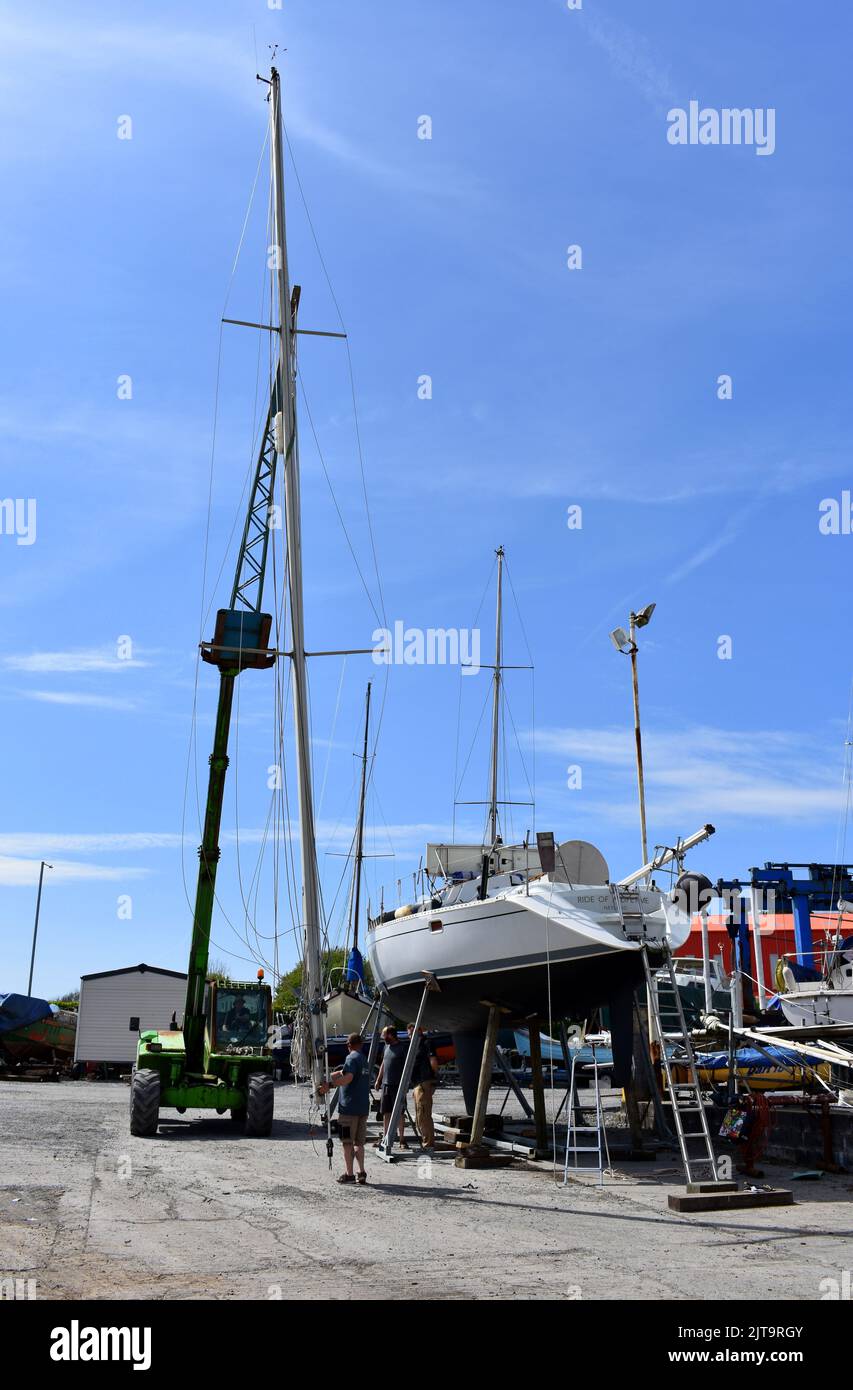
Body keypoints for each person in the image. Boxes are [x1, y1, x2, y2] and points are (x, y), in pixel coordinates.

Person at [318, 1032, 370, 1185]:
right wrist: (328, 1077)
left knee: (347, 1142)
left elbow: (348, 1078)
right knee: (359, 1143)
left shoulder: (350, 1058)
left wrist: (330, 1086)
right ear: (360, 1044)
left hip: (349, 1109)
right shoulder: (363, 1060)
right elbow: (344, 1072)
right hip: (362, 1108)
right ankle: (361, 1172)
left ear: (348, 1045)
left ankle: (349, 1174)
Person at [374, 1025, 409, 1148]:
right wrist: (378, 1080)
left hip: (398, 1086)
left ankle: (402, 1140)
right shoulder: (386, 1047)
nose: (383, 1037)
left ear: (391, 1035)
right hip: (386, 1085)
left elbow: (407, 1067)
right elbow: (383, 1063)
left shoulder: (402, 1048)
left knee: (400, 1113)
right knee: (386, 1113)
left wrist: (405, 1087)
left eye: (384, 1035)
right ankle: (386, 1138)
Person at [407, 1022, 439, 1149]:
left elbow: (433, 1061)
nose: (410, 1036)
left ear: (419, 1031)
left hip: (424, 1081)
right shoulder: (414, 1045)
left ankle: (428, 1143)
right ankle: (425, 1141)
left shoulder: (426, 1043)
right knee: (419, 1115)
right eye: (409, 1034)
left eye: (412, 1033)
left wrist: (433, 1080)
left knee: (423, 1115)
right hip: (417, 1083)